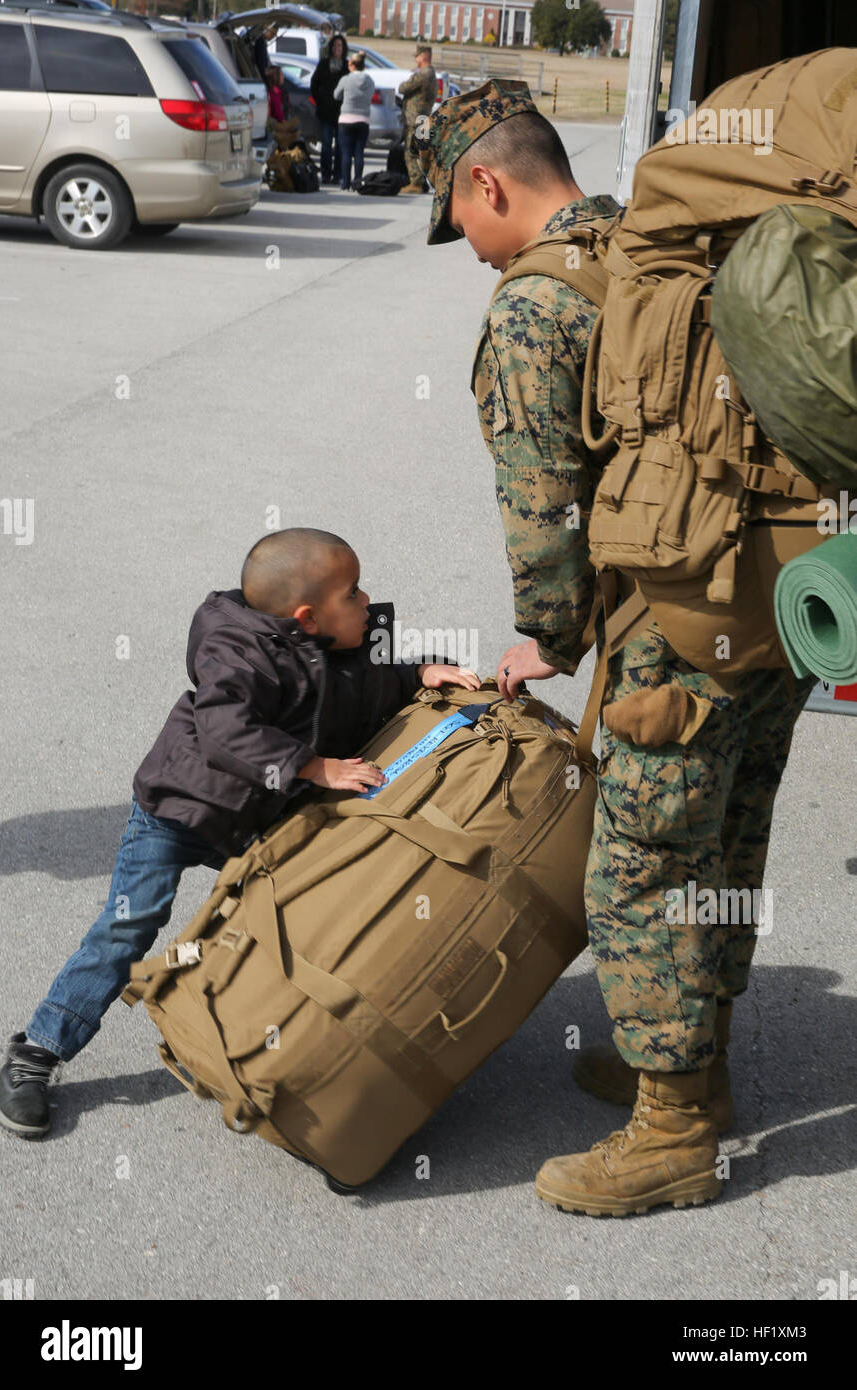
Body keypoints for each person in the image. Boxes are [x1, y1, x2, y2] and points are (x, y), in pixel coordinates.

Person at [417, 81, 815, 1217]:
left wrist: (544, 635)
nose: (472, 253)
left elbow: (540, 508)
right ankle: (696, 1064)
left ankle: (673, 1131)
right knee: (726, 834)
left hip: (673, 635)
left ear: (487, 182)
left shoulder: (535, 307)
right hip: (773, 603)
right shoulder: (661, 244)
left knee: (639, 866)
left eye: (462, 223)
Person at [0, 528, 479, 1138]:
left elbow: (364, 685)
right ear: (306, 618)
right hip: (182, 809)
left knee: (300, 918)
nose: (367, 600)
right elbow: (225, 731)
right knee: (128, 925)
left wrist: (418, 674)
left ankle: (292, 1057)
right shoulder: (237, 650)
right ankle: (36, 1052)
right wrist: (313, 765)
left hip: (263, 814)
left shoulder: (338, 642)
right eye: (353, 594)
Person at [397, 44, 437, 194]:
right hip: (422, 117)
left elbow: (403, 88)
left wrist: (411, 77)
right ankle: (420, 181)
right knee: (421, 149)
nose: (415, 59)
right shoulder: (430, 74)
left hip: (415, 118)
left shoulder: (423, 74)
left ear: (423, 57)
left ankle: (416, 182)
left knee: (411, 150)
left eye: (417, 56)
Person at [310, 32, 348, 185]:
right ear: (331, 47)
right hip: (325, 111)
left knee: (340, 145)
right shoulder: (323, 64)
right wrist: (319, 100)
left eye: (340, 45)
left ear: (343, 48)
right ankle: (325, 174)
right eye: (335, 45)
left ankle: (337, 174)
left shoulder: (346, 66)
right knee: (326, 145)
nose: (337, 48)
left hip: (342, 112)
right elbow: (314, 83)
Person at [333, 52, 374, 191]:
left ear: (352, 65)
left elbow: (336, 95)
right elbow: (371, 96)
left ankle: (345, 183)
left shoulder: (346, 79)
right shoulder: (369, 80)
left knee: (346, 153)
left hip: (346, 119)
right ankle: (357, 182)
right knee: (359, 152)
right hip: (363, 119)